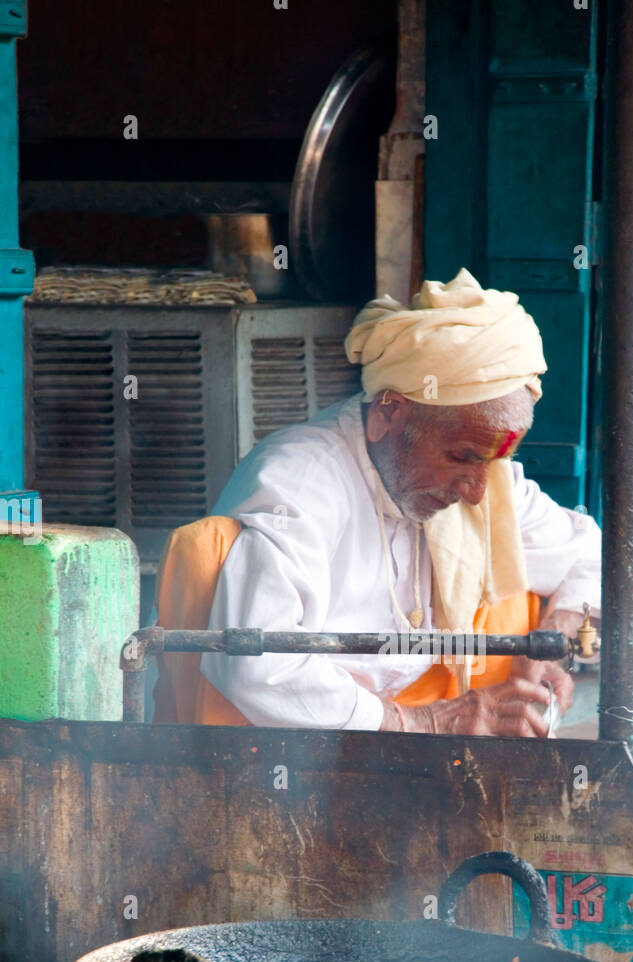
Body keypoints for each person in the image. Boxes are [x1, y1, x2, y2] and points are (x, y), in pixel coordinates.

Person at [194, 268, 601, 734]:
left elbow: (590, 556)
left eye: (496, 460)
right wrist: (428, 724)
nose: (478, 492)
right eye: (461, 457)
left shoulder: (486, 476)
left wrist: (548, 645)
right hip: (277, 757)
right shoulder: (299, 485)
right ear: (389, 413)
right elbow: (258, 665)